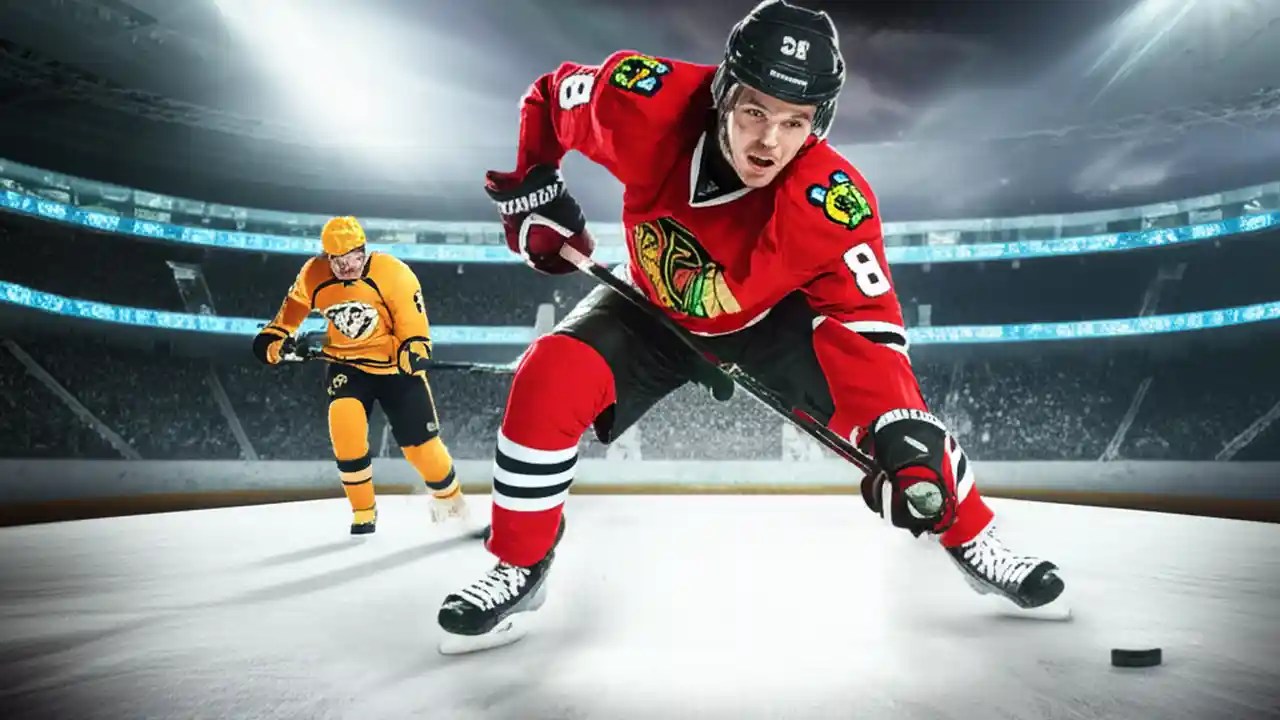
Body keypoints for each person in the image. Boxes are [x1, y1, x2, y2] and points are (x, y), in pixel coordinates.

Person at [436, 0, 1067, 654]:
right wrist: (535, 188)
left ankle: (973, 536)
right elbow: (547, 98)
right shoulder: (640, 100)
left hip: (773, 325)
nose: (770, 141)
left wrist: (898, 426)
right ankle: (520, 562)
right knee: (548, 377)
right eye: (755, 111)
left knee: (909, 443)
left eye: (795, 121)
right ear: (721, 92)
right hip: (653, 306)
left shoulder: (833, 201)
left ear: (818, 123)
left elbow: (865, 325)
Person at [253, 216, 473, 534]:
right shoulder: (313, 274)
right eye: (336, 260)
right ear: (327, 257)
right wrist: (275, 338)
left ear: (363, 250)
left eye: (351, 258)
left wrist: (415, 349)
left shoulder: (393, 273)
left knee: (422, 448)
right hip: (347, 366)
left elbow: (413, 323)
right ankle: (363, 511)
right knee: (345, 423)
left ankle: (449, 499)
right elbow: (292, 309)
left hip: (395, 369)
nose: (345, 267)